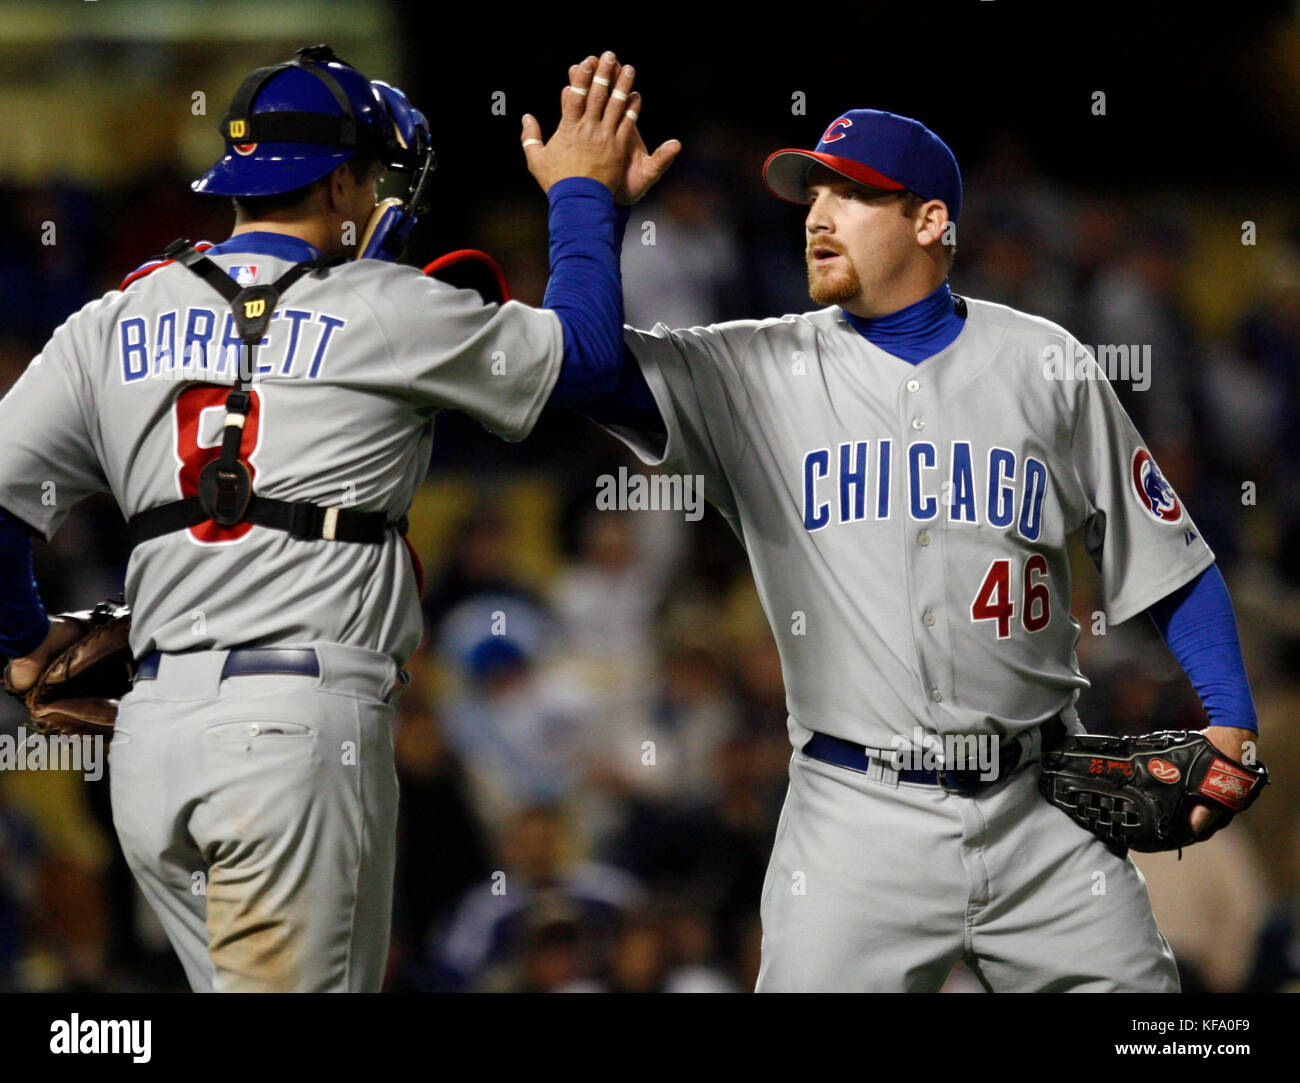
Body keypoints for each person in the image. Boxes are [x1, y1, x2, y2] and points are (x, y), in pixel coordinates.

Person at [0, 45, 677, 992]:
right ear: (345, 180)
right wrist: (581, 196)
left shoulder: (114, 318)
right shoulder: (388, 306)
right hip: (295, 733)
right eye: (373, 175)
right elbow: (591, 358)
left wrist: (25, 643)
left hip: (152, 743)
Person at [571, 106, 1262, 991]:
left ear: (930, 220)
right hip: (854, 814)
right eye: (811, 193)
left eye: (851, 194)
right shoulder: (749, 369)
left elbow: (1169, 554)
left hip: (1043, 802)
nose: (818, 214)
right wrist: (589, 204)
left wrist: (1230, 719)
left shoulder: (1045, 362)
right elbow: (585, 369)